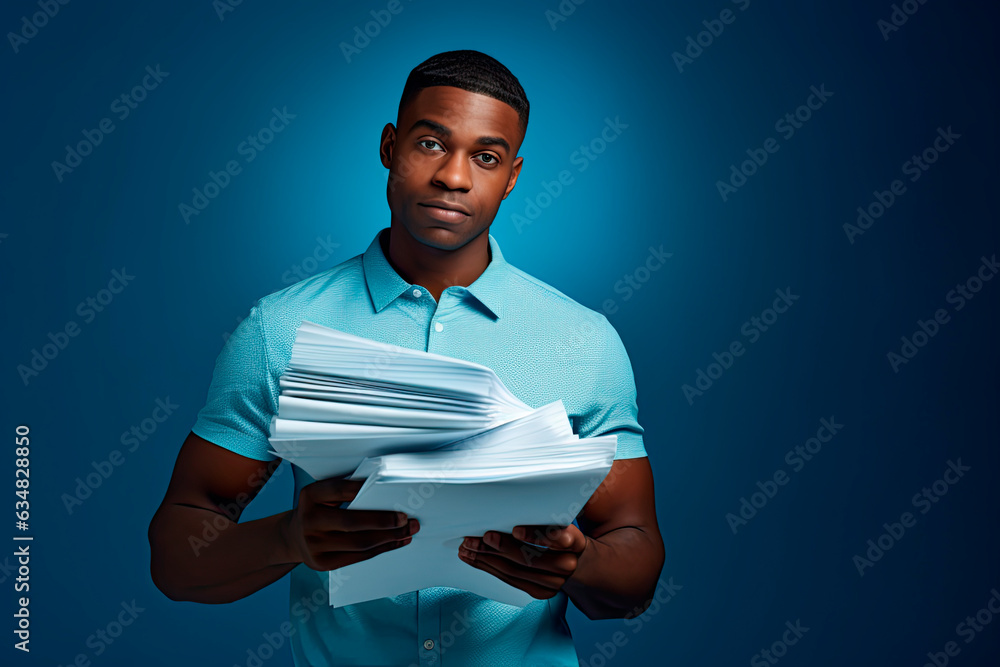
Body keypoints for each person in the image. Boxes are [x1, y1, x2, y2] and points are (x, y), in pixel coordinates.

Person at [148, 49, 664, 666]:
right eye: (430, 144)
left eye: (486, 157)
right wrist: (287, 538)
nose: (454, 176)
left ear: (513, 177)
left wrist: (576, 561)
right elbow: (178, 561)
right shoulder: (279, 329)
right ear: (390, 146)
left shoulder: (585, 341)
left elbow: (633, 575)